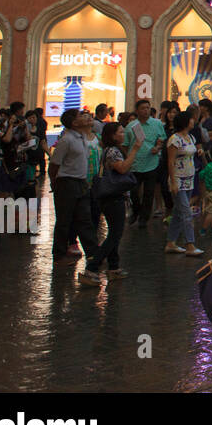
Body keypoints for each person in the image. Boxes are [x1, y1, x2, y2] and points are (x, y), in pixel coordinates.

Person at [79, 122, 138, 287]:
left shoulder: (111, 150)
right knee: (115, 235)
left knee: (115, 233)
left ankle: (114, 267)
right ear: (113, 135)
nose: (123, 134)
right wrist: (135, 150)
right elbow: (123, 168)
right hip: (113, 197)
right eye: (120, 132)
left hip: (113, 197)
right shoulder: (112, 152)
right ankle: (92, 268)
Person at [49, 108, 100, 267]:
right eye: (80, 116)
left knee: (84, 219)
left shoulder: (82, 137)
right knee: (64, 220)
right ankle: (58, 255)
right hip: (67, 183)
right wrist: (55, 182)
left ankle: (93, 253)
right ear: (74, 122)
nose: (85, 117)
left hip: (81, 182)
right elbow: (54, 164)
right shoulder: (67, 140)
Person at [162, 111, 204, 257]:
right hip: (178, 179)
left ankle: (171, 242)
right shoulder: (175, 140)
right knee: (186, 213)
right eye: (191, 120)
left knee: (179, 213)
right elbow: (171, 161)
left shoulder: (191, 137)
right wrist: (173, 181)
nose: (193, 121)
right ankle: (190, 244)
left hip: (189, 178)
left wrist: (198, 151)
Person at [125, 99, 167, 227]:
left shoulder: (156, 124)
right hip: (135, 164)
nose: (146, 110)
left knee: (149, 192)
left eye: (148, 108)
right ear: (137, 110)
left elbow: (161, 138)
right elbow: (125, 144)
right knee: (134, 191)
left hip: (151, 163)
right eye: (143, 108)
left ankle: (144, 217)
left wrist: (158, 147)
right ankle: (136, 210)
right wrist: (129, 157)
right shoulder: (131, 126)